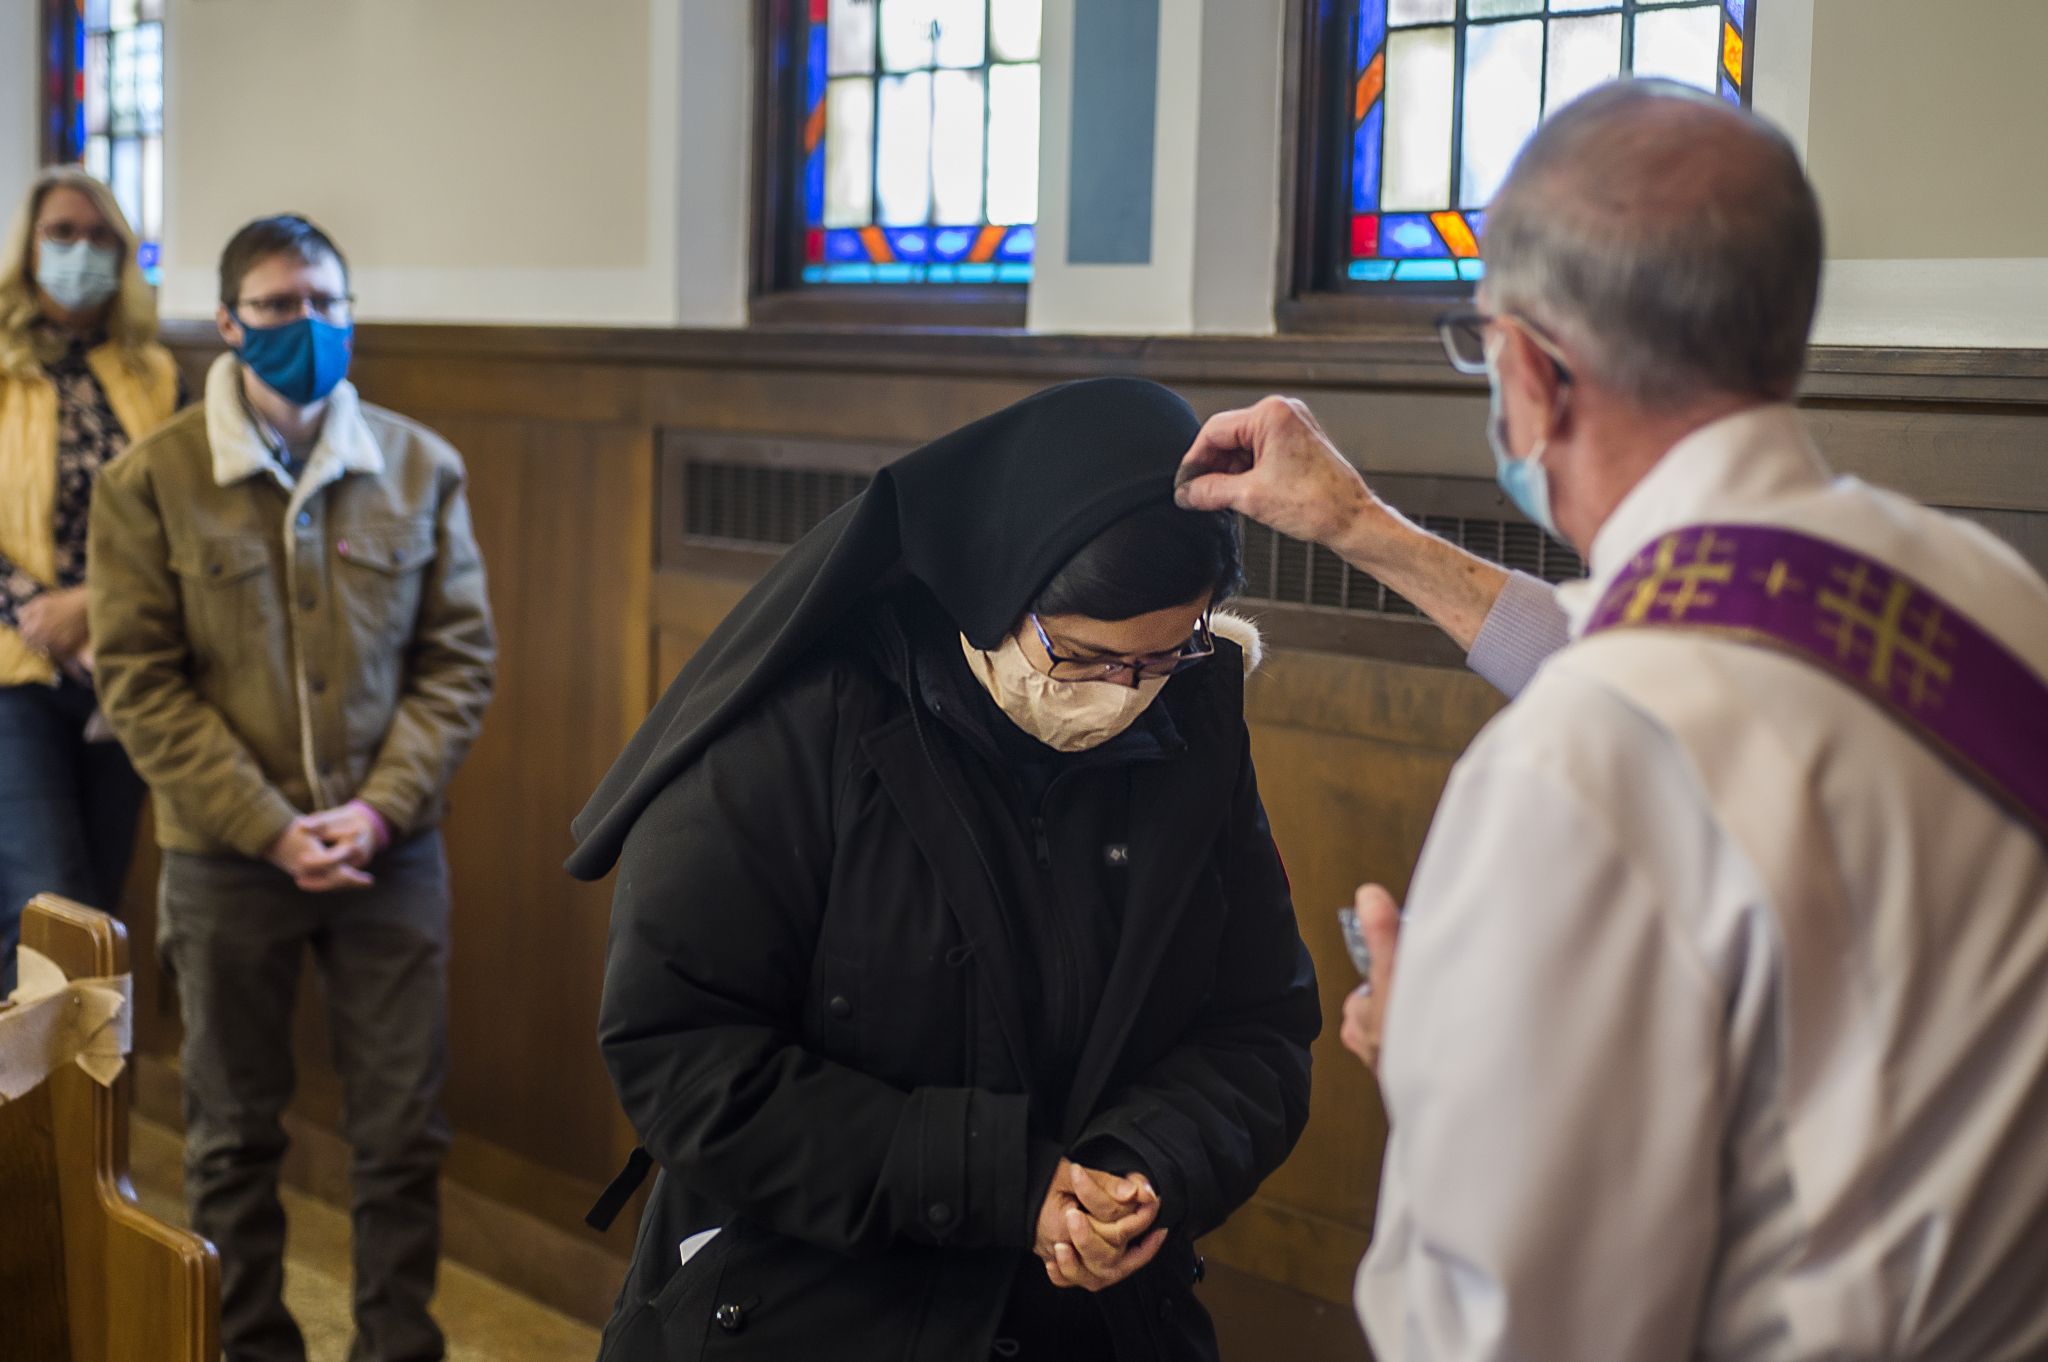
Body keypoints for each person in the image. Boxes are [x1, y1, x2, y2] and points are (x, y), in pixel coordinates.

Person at [1178, 81, 2048, 1361]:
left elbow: (1505, 1328)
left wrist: (1440, 1070)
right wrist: (1360, 526)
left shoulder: (1571, 771)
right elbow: (1681, 652)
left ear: (1532, 369)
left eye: (1480, 345)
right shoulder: (1983, 592)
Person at [568, 377, 1320, 1362]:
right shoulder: (801, 724)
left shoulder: (1191, 724)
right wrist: (1001, 1183)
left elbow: (1260, 1026)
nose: (1122, 697)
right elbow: (681, 1052)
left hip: (1090, 1316)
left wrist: (1145, 1168)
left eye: (1162, 658)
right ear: (995, 588)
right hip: (807, 1303)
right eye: (1082, 658)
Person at [88, 214, 497, 1362]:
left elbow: (457, 663)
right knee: (230, 1138)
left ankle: (395, 1347)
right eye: (277, 306)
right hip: (226, 858)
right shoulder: (149, 481)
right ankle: (250, 1346)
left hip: (388, 852)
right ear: (228, 323)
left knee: (403, 1134)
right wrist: (269, 827)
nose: (306, 325)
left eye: (326, 303)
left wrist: (376, 809)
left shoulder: (420, 466)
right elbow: (140, 682)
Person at [0, 167, 181, 998]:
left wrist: (96, 612)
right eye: (62, 233)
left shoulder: (154, 376)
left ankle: (83, 1087)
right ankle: (35, 1084)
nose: (81, 250)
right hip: (17, 673)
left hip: (122, 669)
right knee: (48, 908)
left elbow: (180, 518)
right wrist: (40, 617)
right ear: (29, 249)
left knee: (99, 912)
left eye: (100, 235)